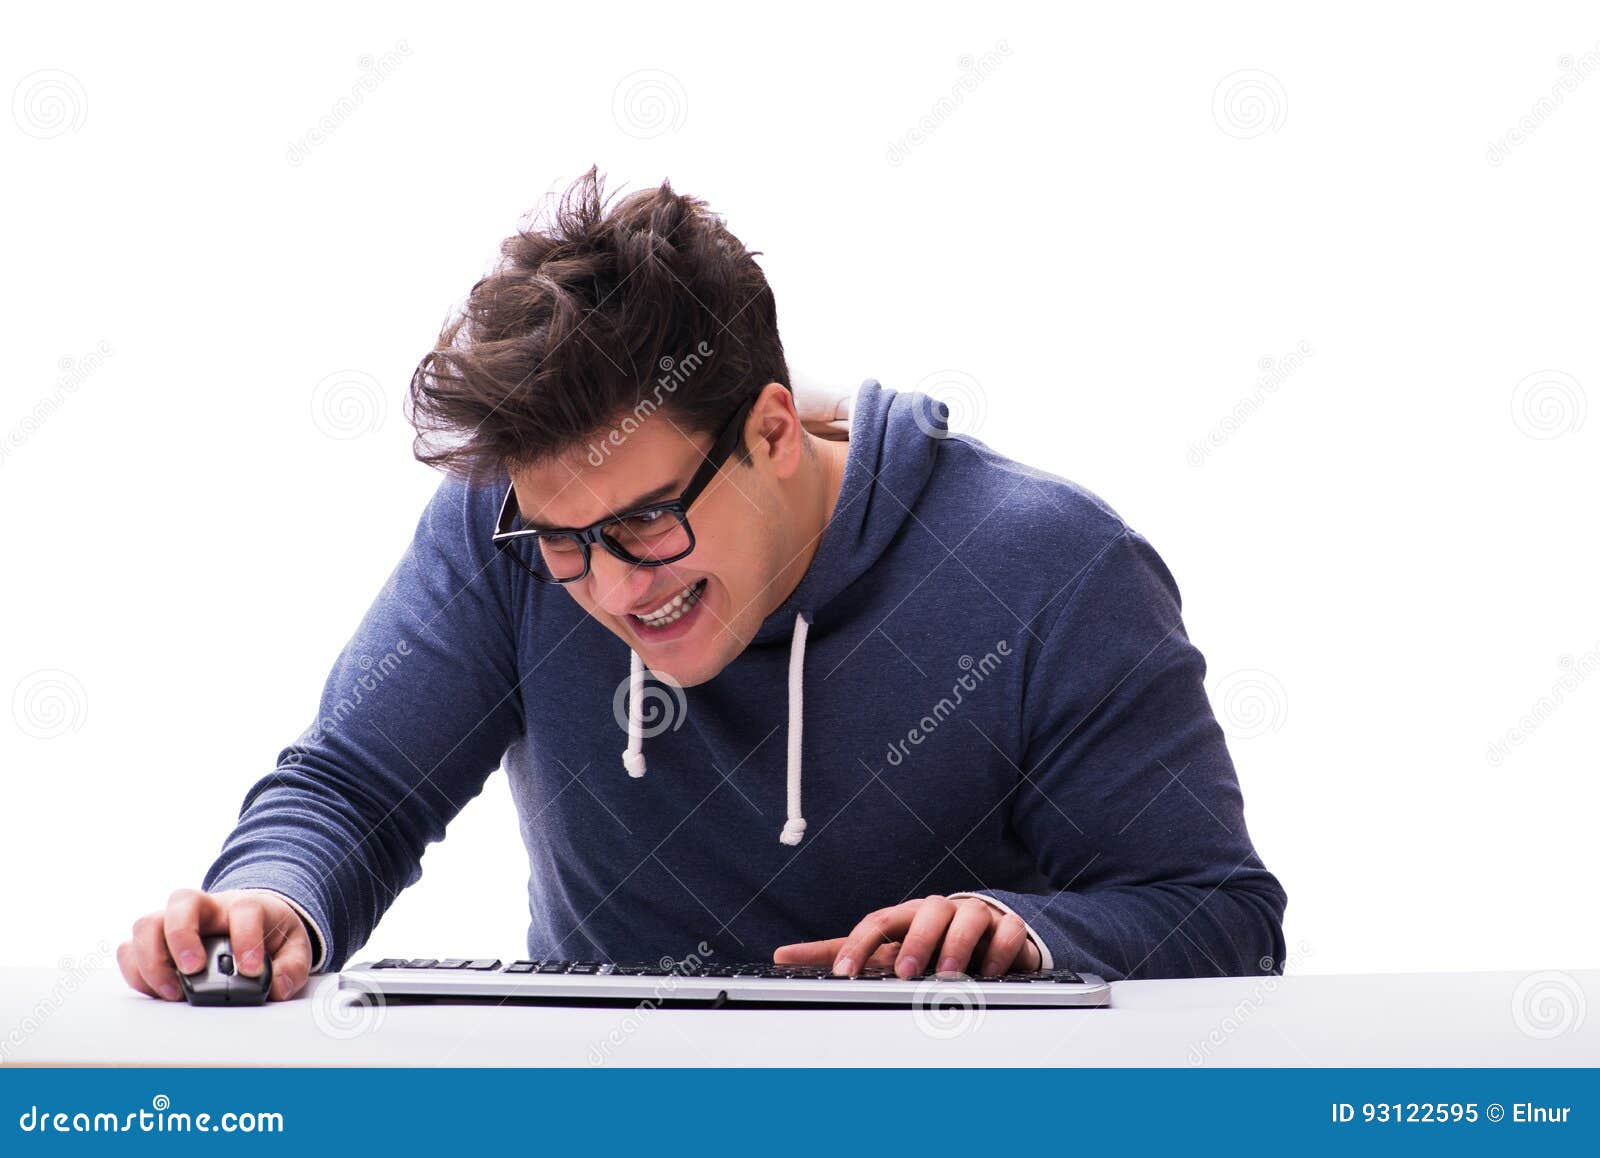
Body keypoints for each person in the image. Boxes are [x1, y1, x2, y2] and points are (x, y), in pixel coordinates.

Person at [118, 168, 1287, 1003]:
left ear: (774, 431)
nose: (610, 588)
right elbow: (354, 788)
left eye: (644, 521)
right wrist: (269, 902)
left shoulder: (1054, 570)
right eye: (564, 540)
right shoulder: (505, 530)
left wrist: (1023, 934)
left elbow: (1220, 914)